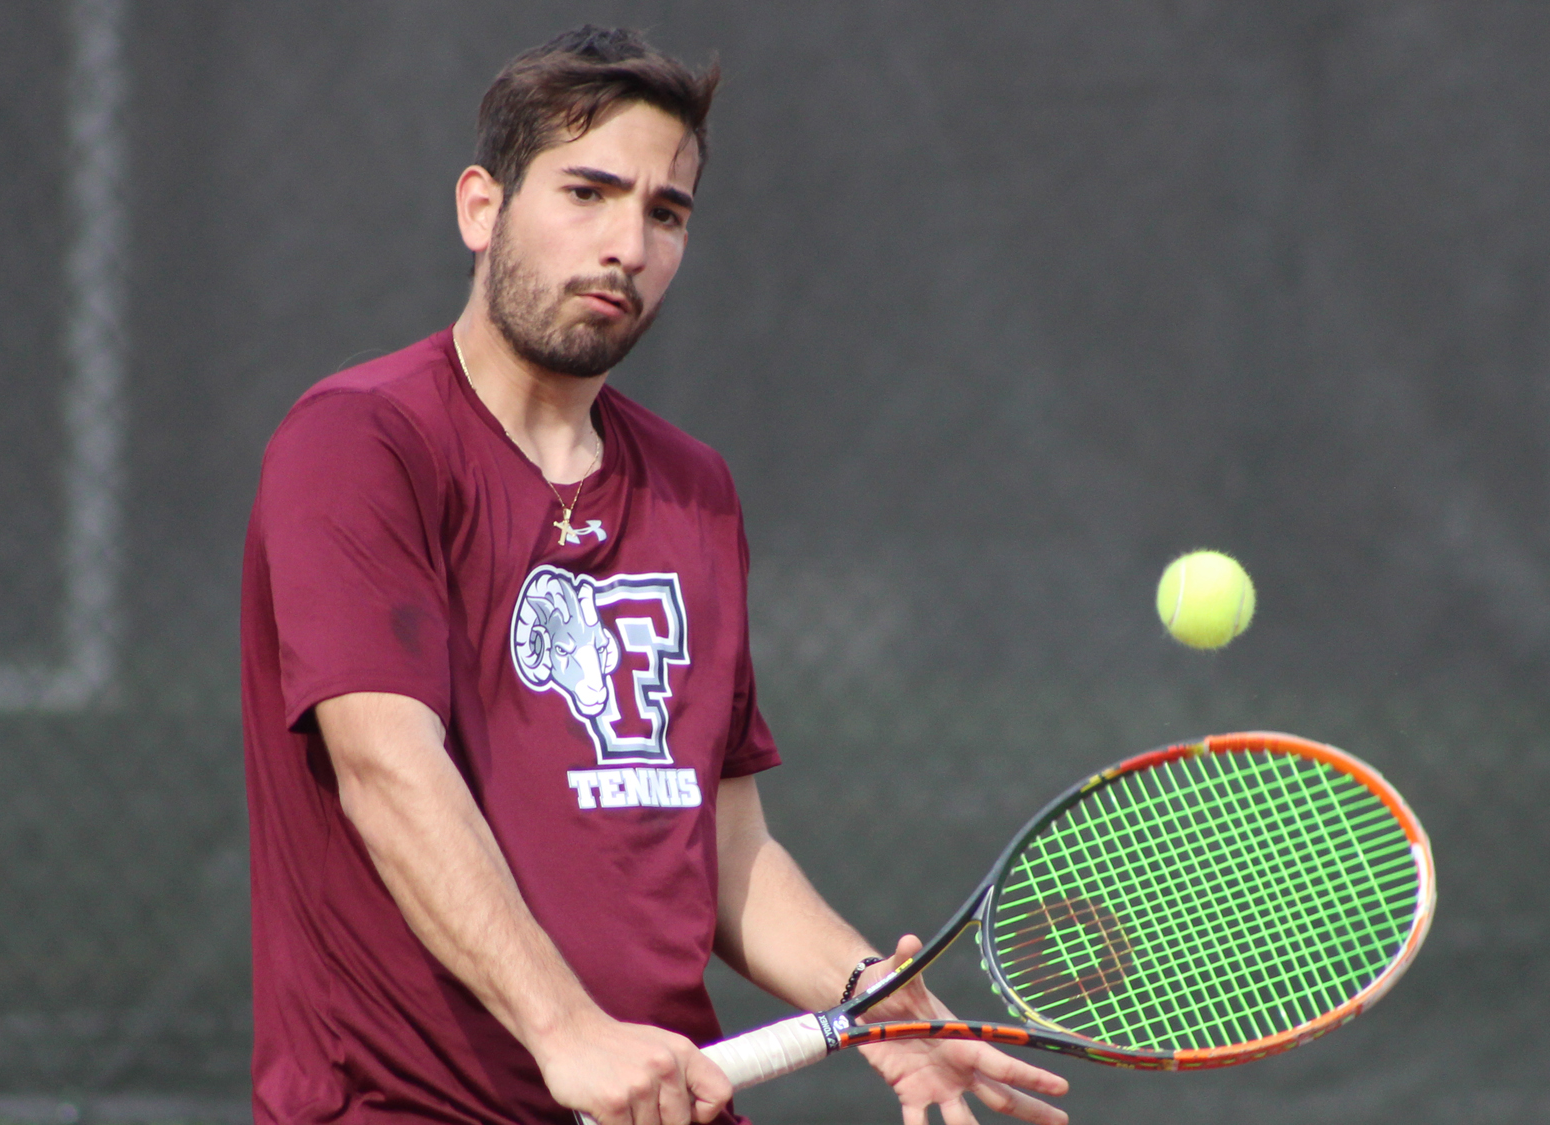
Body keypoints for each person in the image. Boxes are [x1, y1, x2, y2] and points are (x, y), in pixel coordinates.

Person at [240, 25, 1070, 1125]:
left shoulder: (693, 488)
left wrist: (875, 997)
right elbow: (386, 766)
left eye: (663, 213)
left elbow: (723, 847)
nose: (626, 244)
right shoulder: (358, 443)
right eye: (587, 193)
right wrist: (563, 1031)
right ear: (479, 210)